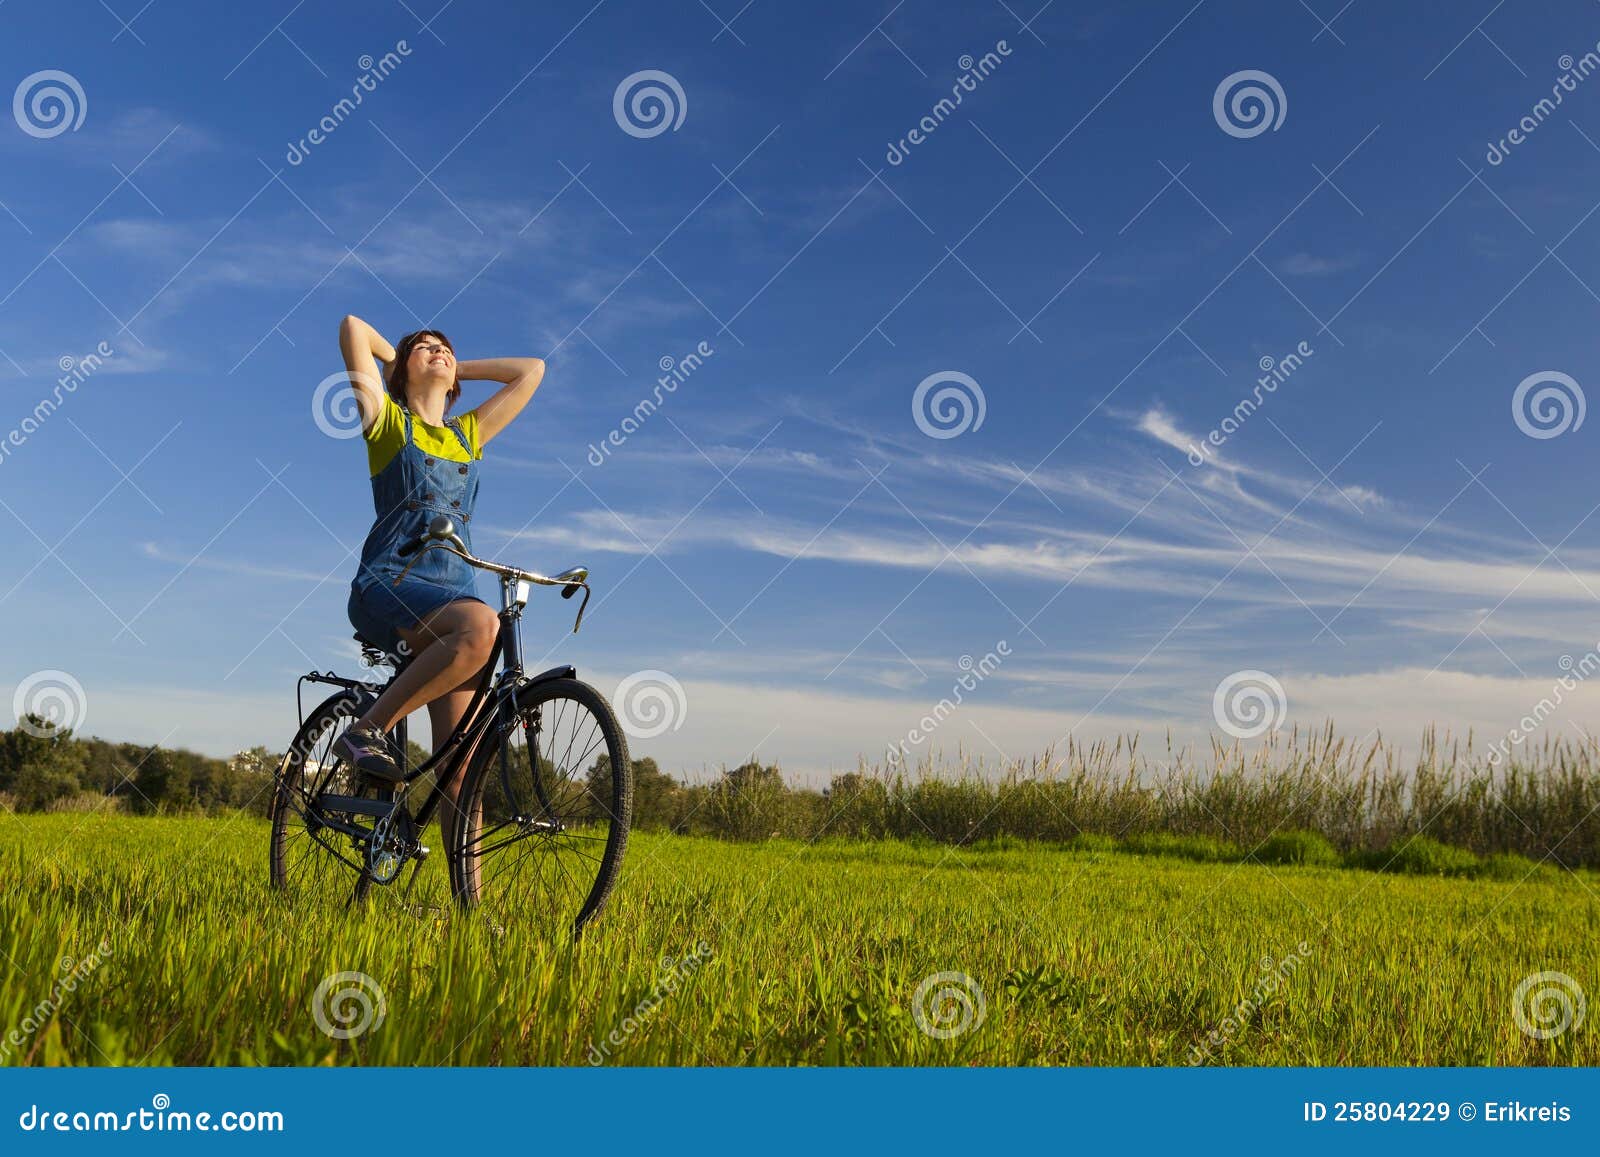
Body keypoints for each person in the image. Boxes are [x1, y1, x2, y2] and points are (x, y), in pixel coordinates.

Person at [331, 315, 544, 794]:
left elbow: (531, 370)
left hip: (455, 598)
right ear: (401, 373)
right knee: (484, 625)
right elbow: (353, 328)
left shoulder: (469, 433)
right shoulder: (386, 421)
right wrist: (397, 361)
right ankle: (366, 729)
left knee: (460, 770)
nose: (439, 351)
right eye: (424, 348)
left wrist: (454, 368)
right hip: (391, 583)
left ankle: (454, 854)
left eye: (445, 346)